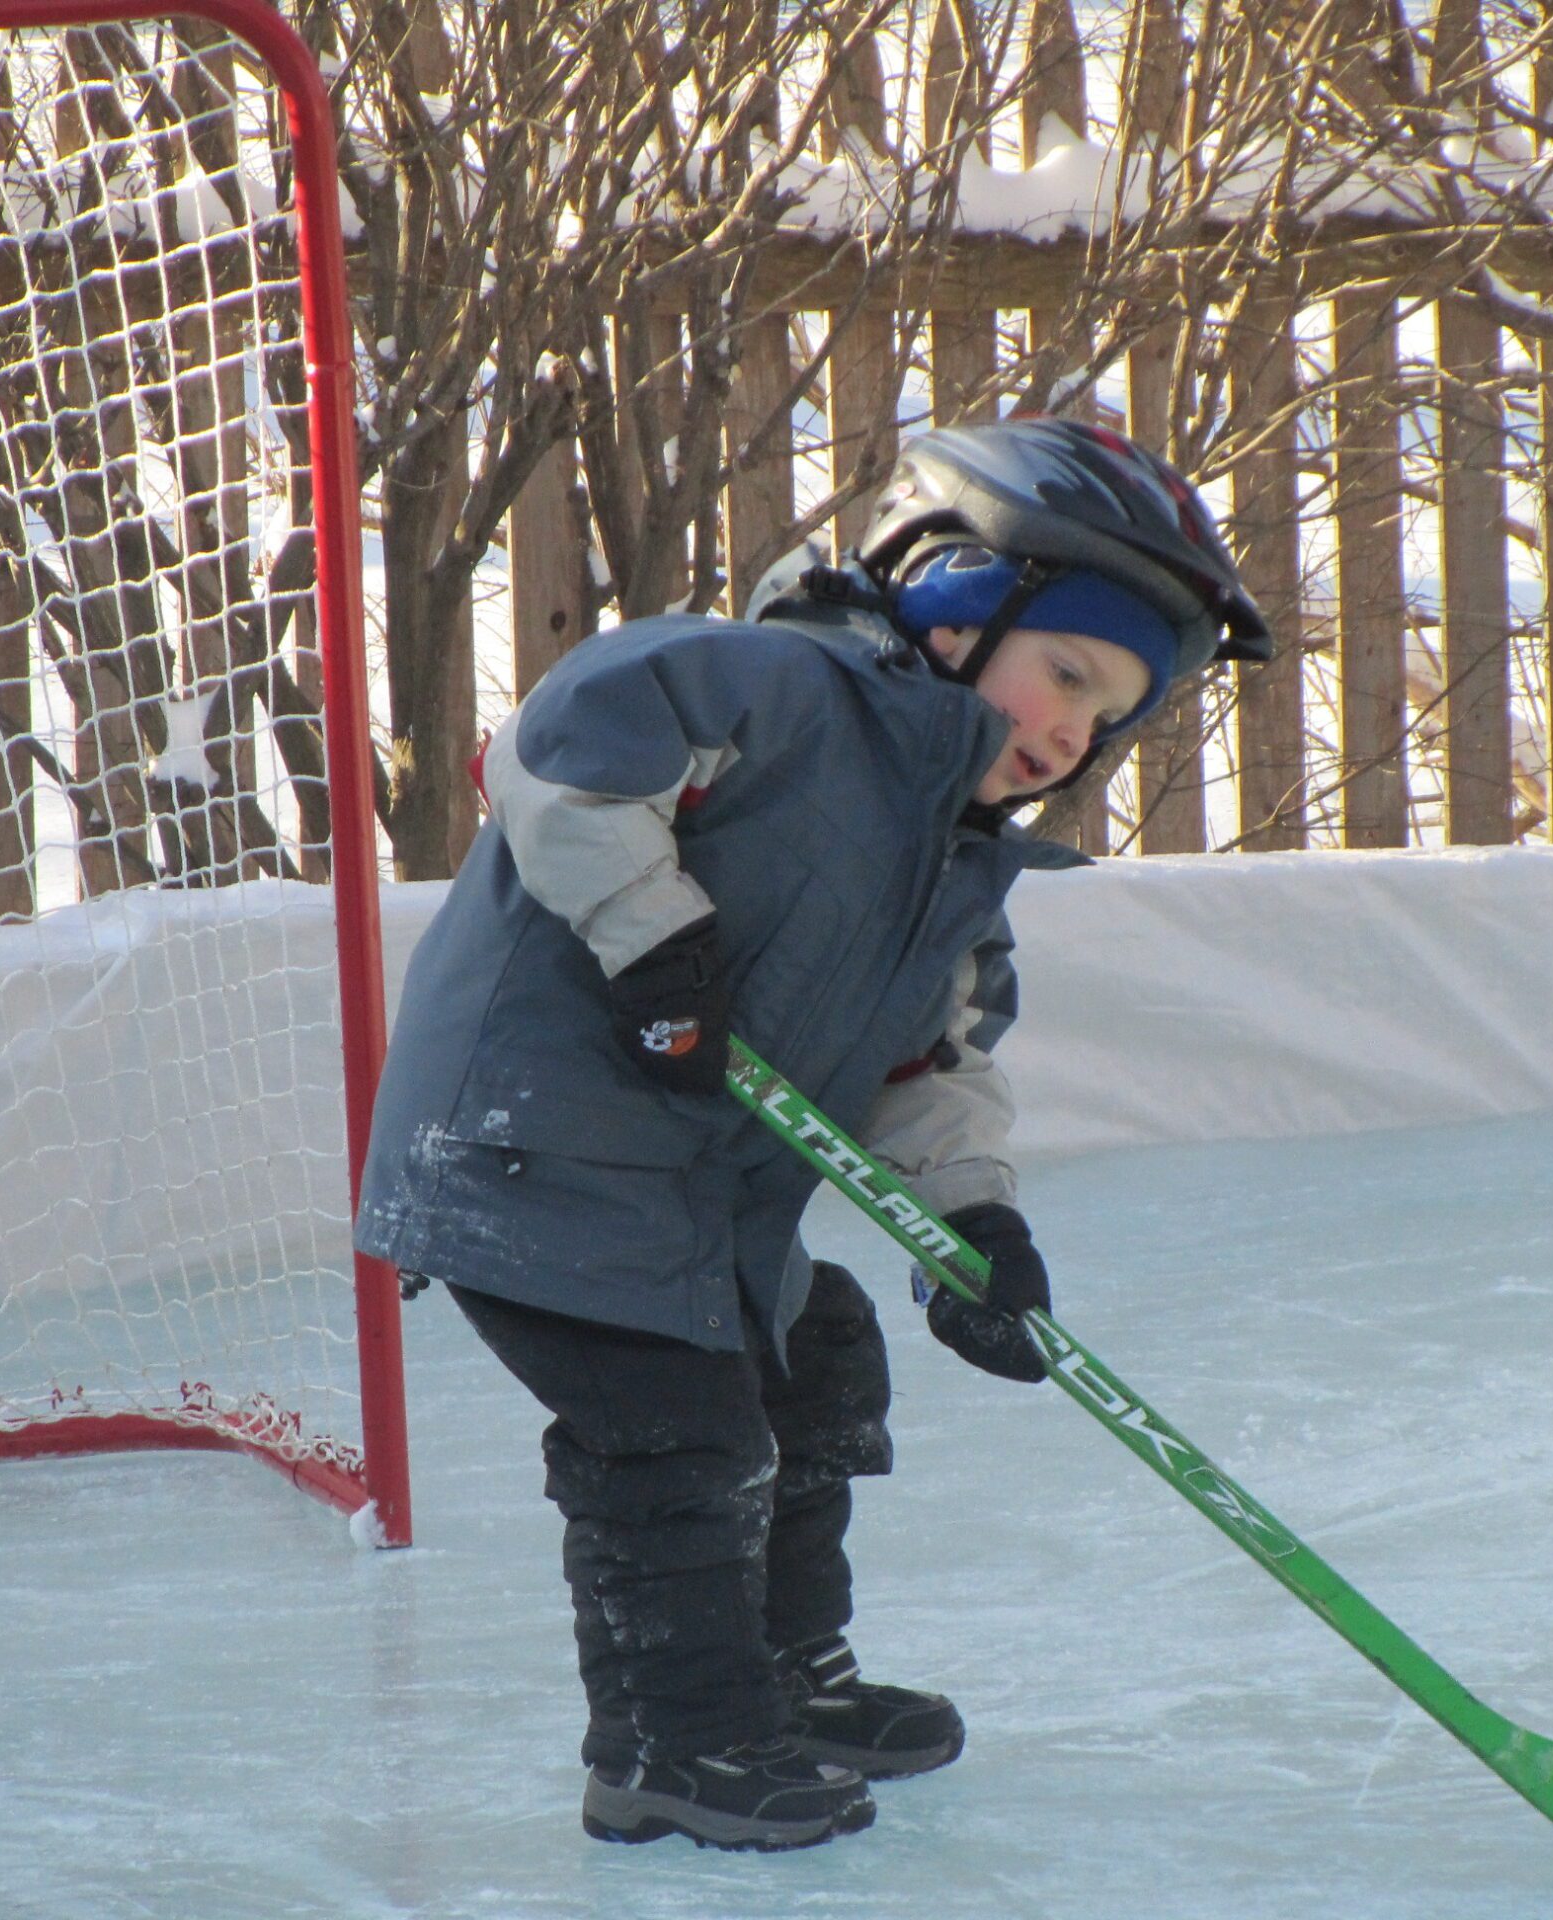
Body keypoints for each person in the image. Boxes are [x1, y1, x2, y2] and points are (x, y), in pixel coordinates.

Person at [356, 416, 1271, 1852]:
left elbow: (934, 1058)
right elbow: (561, 755)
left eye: (1108, 717)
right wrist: (655, 942)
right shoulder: (771, 689)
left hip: (702, 1197)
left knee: (816, 1355)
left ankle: (784, 1680)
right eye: (1069, 675)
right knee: (677, 1429)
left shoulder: (958, 866)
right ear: (963, 601)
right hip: (533, 1147)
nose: (1074, 733)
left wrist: (976, 1223)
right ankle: (671, 1741)